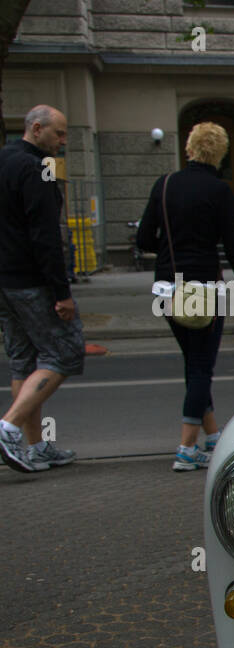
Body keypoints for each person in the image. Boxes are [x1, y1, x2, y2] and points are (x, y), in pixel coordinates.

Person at [137, 122, 234, 471]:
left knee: (193, 364)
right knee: (202, 366)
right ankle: (186, 450)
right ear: (219, 154)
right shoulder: (219, 191)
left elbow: (143, 240)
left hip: (166, 290)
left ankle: (214, 437)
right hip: (204, 291)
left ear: (189, 148)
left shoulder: (165, 184)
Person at [0, 105, 80, 474]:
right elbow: (46, 236)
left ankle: (34, 448)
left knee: (24, 361)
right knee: (63, 353)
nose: (63, 141)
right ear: (36, 128)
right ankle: (8, 427)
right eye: (59, 134)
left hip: (4, 281)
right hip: (31, 280)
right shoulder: (40, 169)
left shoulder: (4, 159)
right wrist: (61, 292)